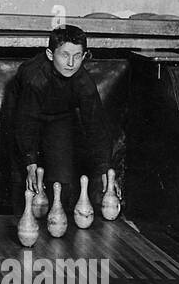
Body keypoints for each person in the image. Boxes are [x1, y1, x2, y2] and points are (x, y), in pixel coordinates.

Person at [9, 24, 110, 208]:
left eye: (77, 56)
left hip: (58, 118)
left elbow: (96, 126)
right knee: (25, 182)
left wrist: (104, 169)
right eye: (64, 55)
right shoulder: (34, 79)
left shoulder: (84, 83)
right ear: (50, 54)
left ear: (85, 55)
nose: (71, 63)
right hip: (22, 115)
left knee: (62, 181)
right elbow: (25, 124)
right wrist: (30, 162)